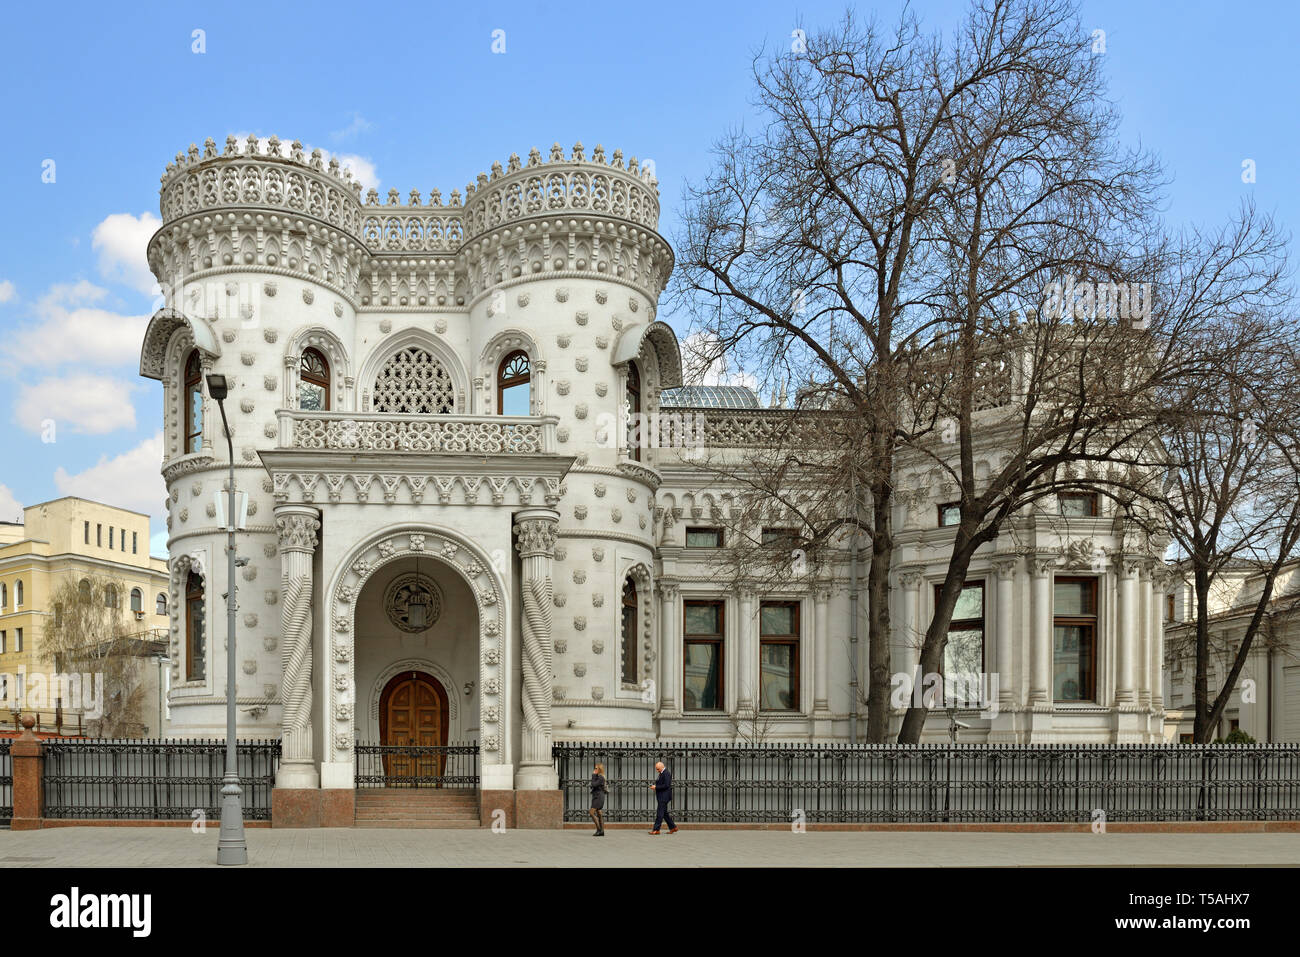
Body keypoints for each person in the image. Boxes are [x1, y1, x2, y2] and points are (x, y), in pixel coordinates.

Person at [648, 760, 677, 835]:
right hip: (662, 796)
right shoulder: (662, 773)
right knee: (664, 813)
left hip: (664, 797)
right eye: (656, 769)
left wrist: (656, 787)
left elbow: (666, 785)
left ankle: (656, 829)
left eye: (658, 769)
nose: (657, 770)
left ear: (662, 767)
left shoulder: (666, 773)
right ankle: (673, 827)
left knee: (659, 813)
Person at [589, 763, 608, 836]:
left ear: (599, 770)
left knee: (591, 812)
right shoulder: (599, 777)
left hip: (598, 797)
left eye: (596, 768)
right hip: (598, 796)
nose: (594, 770)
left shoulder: (600, 777)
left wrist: (593, 775)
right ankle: (602, 831)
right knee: (599, 814)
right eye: (595, 768)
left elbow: (593, 784)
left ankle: (599, 830)